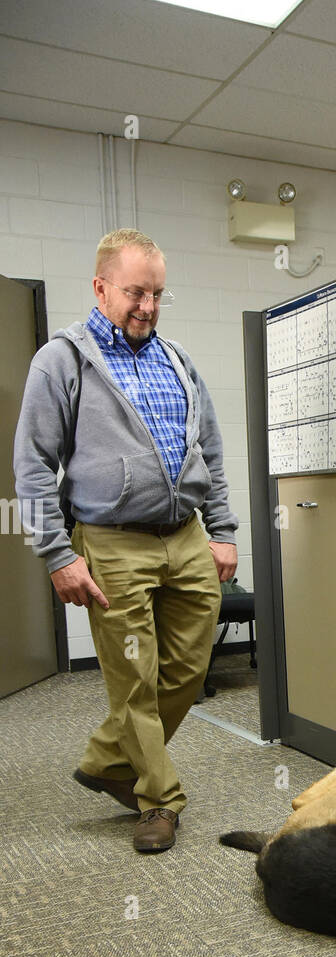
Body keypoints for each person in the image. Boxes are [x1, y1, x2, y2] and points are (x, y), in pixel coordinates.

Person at [13, 228, 239, 853]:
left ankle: (107, 758)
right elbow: (33, 465)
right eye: (136, 292)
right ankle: (159, 799)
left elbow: (210, 454)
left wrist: (222, 531)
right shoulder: (61, 361)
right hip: (111, 541)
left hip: (187, 534)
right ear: (101, 287)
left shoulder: (177, 360)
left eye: (157, 294)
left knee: (188, 671)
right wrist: (58, 555)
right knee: (135, 677)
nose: (147, 306)